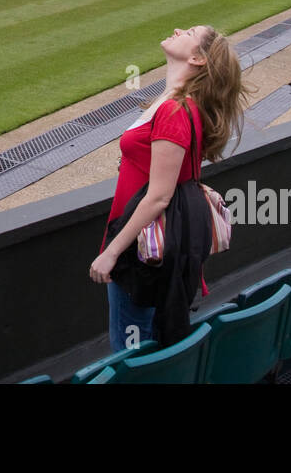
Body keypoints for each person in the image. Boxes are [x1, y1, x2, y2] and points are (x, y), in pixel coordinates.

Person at [89, 26, 249, 350]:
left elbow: (160, 196)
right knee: (143, 345)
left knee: (131, 357)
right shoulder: (172, 101)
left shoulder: (174, 110)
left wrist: (111, 252)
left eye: (188, 32)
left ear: (197, 58)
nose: (177, 29)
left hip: (141, 254)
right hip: (147, 249)